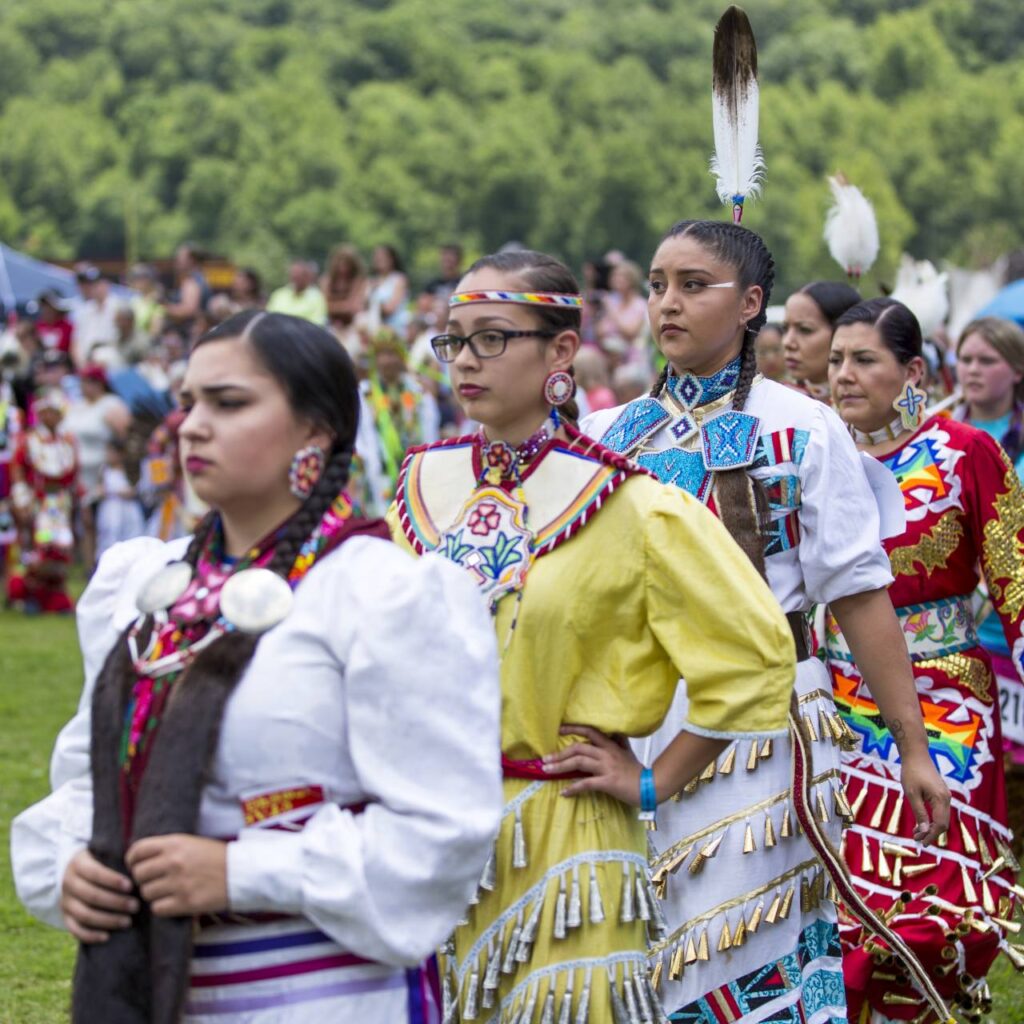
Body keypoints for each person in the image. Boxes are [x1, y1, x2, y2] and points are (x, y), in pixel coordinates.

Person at [11, 310, 503, 1024]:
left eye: (229, 403)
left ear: (316, 430)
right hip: (148, 989)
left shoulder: (382, 591)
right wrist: (71, 866)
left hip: (319, 993)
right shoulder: (143, 586)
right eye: (188, 403)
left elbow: (442, 831)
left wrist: (238, 871)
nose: (191, 426)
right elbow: (86, 782)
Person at [388, 250, 797, 1021]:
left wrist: (654, 780)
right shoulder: (417, 487)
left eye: (492, 338)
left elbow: (754, 653)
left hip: (565, 829)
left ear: (563, 351)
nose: (466, 360)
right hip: (429, 827)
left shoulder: (630, 504)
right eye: (454, 340)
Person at [584, 221, 949, 1024]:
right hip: (637, 718)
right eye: (655, 285)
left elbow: (857, 593)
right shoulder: (607, 436)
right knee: (638, 937)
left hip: (766, 725)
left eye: (692, 285)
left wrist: (913, 746)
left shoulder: (804, 426)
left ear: (751, 304)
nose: (667, 303)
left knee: (754, 933)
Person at [828, 297, 1024, 1020]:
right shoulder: (819, 453)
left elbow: (1017, 579)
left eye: (864, 360)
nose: (843, 375)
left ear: (912, 369)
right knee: (843, 911)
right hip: (836, 699)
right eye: (837, 359)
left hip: (947, 704)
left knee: (938, 911)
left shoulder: (966, 451)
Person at [952, 315, 1024, 848]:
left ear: (1017, 370)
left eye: (986, 360)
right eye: (966, 359)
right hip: (957, 641)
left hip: (1011, 634)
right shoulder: (933, 431)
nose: (972, 370)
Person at [6, 387, 78, 613]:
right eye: (45, 412)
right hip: (37, 501)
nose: (50, 417)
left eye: (54, 412)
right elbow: (18, 470)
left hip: (60, 502)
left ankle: (55, 596)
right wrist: (20, 498)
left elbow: (73, 474)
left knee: (60, 548)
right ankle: (31, 595)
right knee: (39, 547)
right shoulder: (29, 440)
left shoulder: (67, 441)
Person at [63, 364, 132, 571]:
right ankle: (88, 566)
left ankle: (107, 564)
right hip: (78, 473)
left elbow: (124, 439)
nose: (83, 386)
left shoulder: (112, 405)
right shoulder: (77, 405)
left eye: (87, 382)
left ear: (99, 383)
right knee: (84, 521)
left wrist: (117, 466)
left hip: (103, 473)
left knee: (102, 521)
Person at [362, 329, 440, 503]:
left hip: (413, 473)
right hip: (379, 477)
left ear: (401, 356)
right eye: (380, 354)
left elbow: (429, 435)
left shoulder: (418, 393)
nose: (385, 361)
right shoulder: (365, 395)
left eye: (391, 353)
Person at [782, 280, 861, 400]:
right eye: (785, 329)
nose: (787, 342)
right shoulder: (775, 401)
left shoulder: (873, 408)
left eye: (805, 330)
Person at [95, 439, 145, 560]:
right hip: (110, 508)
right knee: (109, 535)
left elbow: (136, 489)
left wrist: (125, 492)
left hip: (127, 509)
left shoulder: (129, 470)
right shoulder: (104, 469)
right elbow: (99, 487)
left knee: (130, 535)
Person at [597, 260, 649, 367]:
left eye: (621, 276)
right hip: (608, 358)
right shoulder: (613, 302)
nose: (616, 279)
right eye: (614, 276)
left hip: (631, 361)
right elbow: (600, 332)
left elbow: (630, 332)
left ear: (631, 280)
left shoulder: (640, 305)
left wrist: (611, 310)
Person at [72, 266, 118, 368]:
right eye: (91, 285)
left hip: (112, 362)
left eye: (98, 283)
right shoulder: (83, 311)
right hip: (86, 364)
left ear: (107, 284)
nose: (95, 288)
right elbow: (76, 343)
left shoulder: (119, 308)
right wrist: (82, 366)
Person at [164, 243, 212, 340]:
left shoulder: (192, 281)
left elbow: (189, 310)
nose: (176, 261)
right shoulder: (201, 278)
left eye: (180, 257)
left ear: (191, 260)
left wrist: (163, 308)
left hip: (188, 335)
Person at [321, 245, 369, 341]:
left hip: (352, 324)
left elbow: (355, 307)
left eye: (347, 264)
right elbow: (323, 305)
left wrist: (333, 306)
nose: (343, 267)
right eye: (341, 263)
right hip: (330, 322)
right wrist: (345, 305)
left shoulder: (358, 281)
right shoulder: (327, 280)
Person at [267, 259, 328, 325]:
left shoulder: (316, 297)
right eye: (293, 275)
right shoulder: (278, 295)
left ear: (307, 277)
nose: (296, 278)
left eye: (299, 275)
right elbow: (268, 317)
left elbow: (318, 323)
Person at [368, 245, 411, 335]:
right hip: (373, 326)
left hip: (396, 327)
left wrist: (374, 305)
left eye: (383, 257)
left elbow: (390, 308)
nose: (380, 260)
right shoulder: (372, 281)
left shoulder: (399, 279)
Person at [35, 290, 75, 356]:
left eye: (49, 306)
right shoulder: (37, 326)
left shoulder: (67, 327)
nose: (46, 310)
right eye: (43, 306)